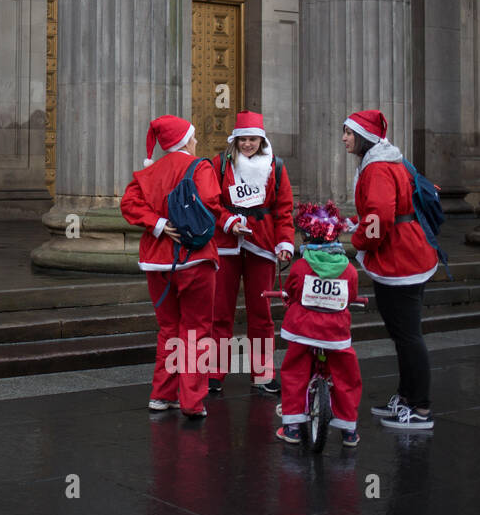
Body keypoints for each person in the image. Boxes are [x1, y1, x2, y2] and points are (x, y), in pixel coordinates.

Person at [121, 115, 237, 419]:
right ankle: (192, 401)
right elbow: (212, 202)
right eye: (193, 136)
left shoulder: (150, 171)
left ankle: (161, 395)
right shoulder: (200, 167)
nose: (196, 141)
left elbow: (129, 204)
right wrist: (231, 221)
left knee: (169, 329)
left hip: (157, 262)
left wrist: (158, 223)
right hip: (195, 259)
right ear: (185, 140)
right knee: (197, 331)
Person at [345, 109, 438, 431]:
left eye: (348, 133)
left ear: (363, 137)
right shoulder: (385, 163)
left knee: (408, 335)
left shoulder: (378, 168)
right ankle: (406, 396)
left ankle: (421, 407)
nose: (344, 138)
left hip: (402, 258)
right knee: (403, 335)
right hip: (406, 253)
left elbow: (381, 217)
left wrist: (356, 243)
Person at [210, 111, 295, 396]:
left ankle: (263, 373)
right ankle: (214, 373)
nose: (248, 144)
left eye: (253, 139)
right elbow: (210, 202)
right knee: (220, 312)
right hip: (226, 244)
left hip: (262, 246)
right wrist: (229, 221)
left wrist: (285, 243)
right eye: (243, 139)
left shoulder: (277, 167)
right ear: (235, 140)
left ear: (262, 140)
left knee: (261, 313)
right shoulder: (219, 165)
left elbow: (283, 211)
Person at [276, 201, 362, 447]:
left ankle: (292, 427)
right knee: (347, 377)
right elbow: (352, 297)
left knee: (294, 373)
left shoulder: (301, 267)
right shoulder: (348, 270)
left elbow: (292, 291)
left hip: (303, 330)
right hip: (335, 333)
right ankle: (349, 430)